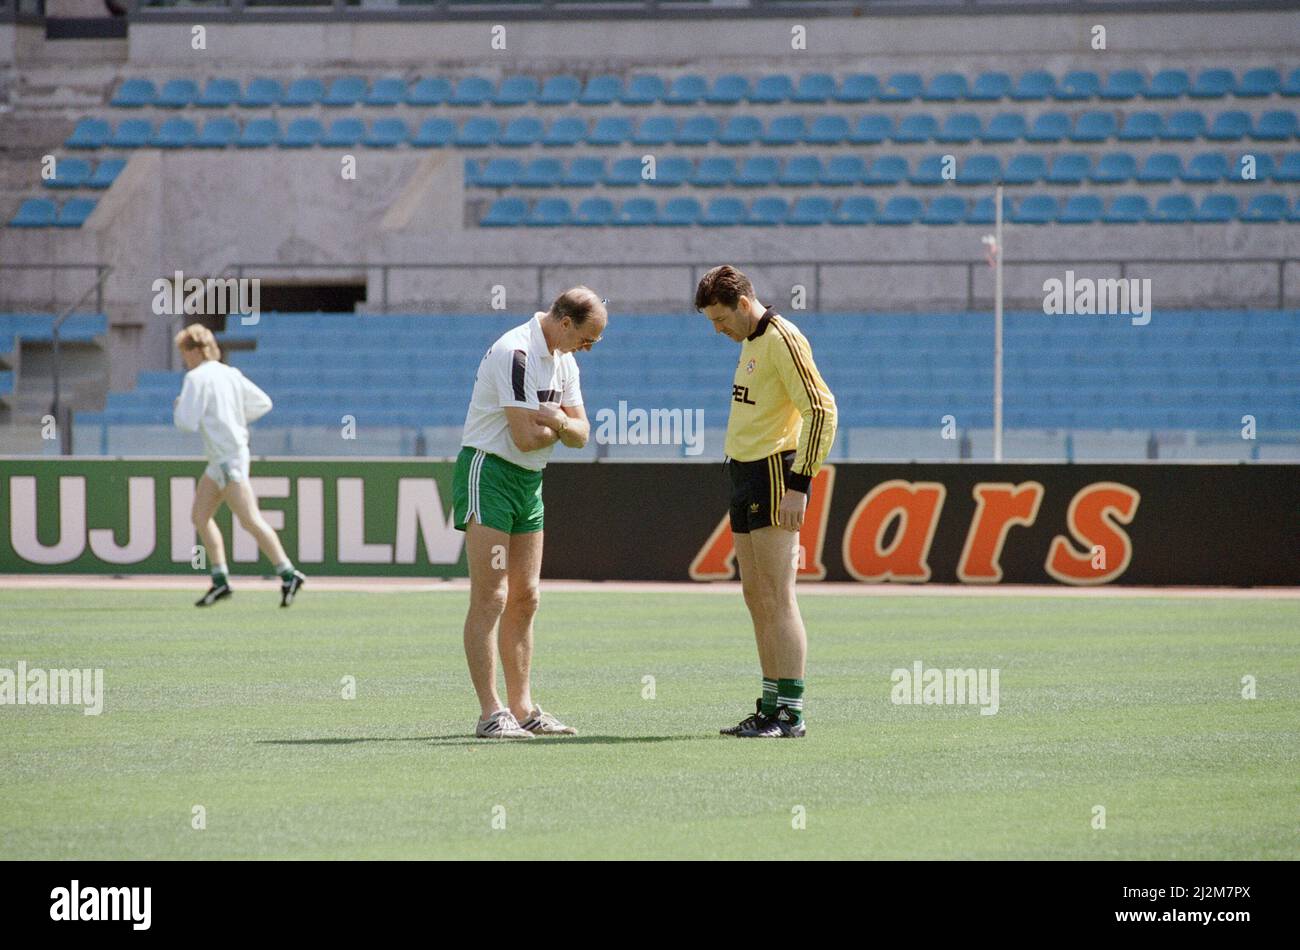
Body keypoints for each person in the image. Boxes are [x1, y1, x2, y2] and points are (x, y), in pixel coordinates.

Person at [452, 288, 607, 739]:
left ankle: (523, 710)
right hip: (490, 472)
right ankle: (490, 713)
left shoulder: (565, 360)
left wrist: (556, 421)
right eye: (588, 337)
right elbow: (522, 436)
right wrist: (564, 427)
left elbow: (582, 433)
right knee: (492, 595)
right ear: (564, 322)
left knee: (527, 595)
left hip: (528, 481)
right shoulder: (516, 353)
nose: (589, 347)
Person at [695, 265, 837, 738]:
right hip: (743, 474)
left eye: (720, 320)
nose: (717, 331)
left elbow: (821, 409)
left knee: (778, 596)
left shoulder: (782, 337)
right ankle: (770, 706)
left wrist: (800, 485)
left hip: (776, 473)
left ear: (742, 302)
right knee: (756, 595)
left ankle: (791, 714)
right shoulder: (751, 343)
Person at [172, 323, 305, 608]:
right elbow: (263, 403)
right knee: (200, 516)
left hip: (227, 459)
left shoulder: (196, 378)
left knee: (249, 519)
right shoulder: (229, 374)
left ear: (194, 351)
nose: (184, 359)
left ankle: (288, 572)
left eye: (184, 352)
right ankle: (220, 580)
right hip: (224, 457)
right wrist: (234, 419)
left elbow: (186, 422)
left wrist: (180, 404)